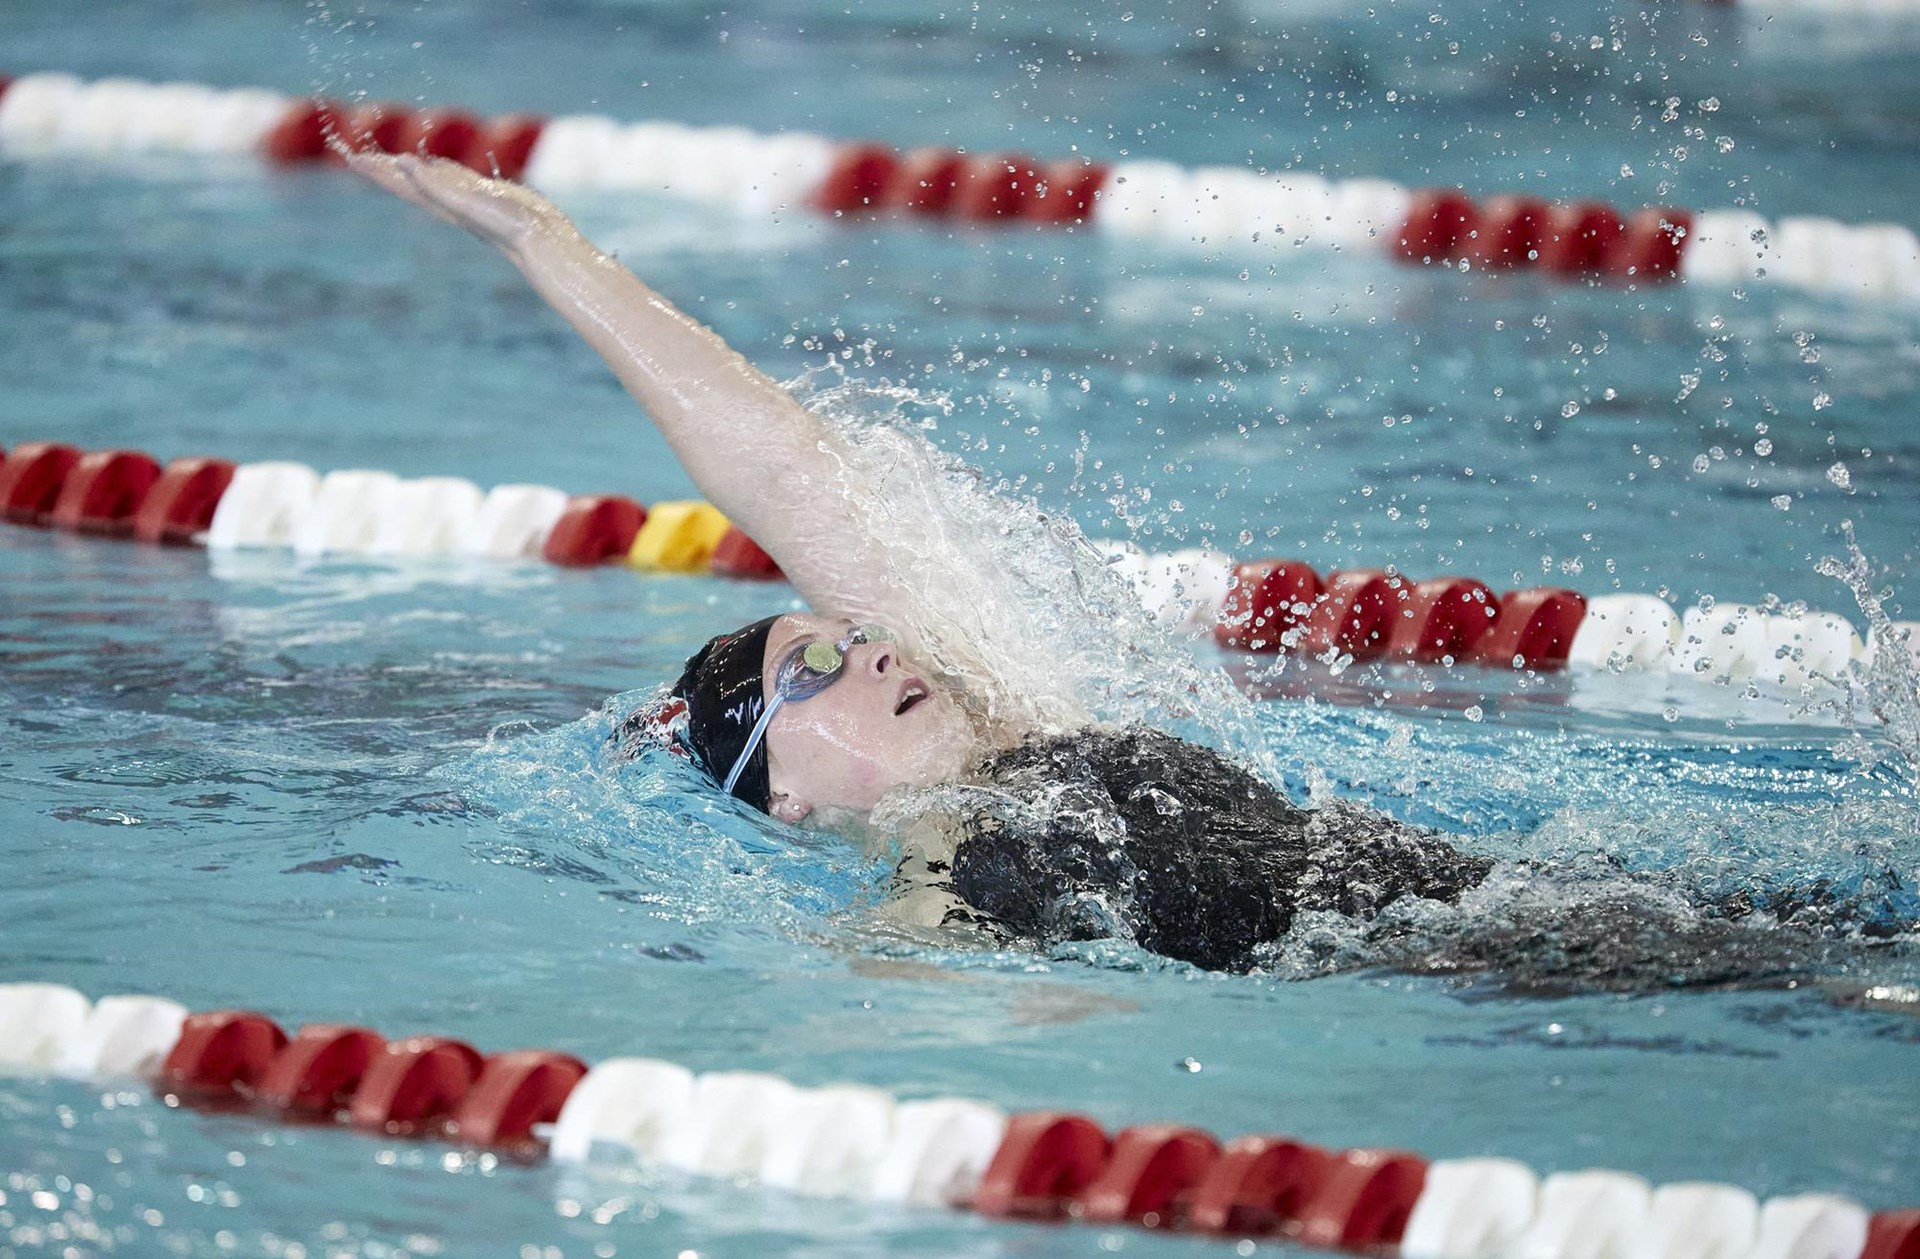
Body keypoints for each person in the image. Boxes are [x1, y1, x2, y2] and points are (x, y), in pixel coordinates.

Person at [351, 152, 1908, 987]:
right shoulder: (937, 889)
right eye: (806, 676)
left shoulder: (1021, 724)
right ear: (792, 801)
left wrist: (545, 246)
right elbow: (940, 1039)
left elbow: (790, 476)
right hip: (1541, 972)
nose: (862, 650)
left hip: (1572, 901)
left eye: (840, 633)